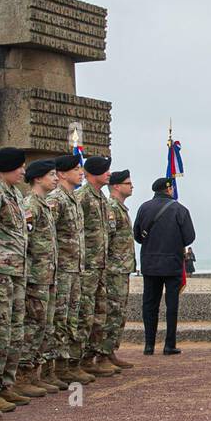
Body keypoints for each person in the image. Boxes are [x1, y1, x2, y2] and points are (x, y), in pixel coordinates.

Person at [0, 147, 33, 412]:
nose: (23, 171)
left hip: (16, 271)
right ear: (5, 168)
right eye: (19, 166)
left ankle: (4, 384)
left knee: (14, 330)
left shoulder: (15, 194)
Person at [134, 177, 195, 355]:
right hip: (172, 263)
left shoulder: (144, 208)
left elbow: (137, 235)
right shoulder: (180, 209)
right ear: (169, 189)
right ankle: (169, 344)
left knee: (149, 305)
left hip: (150, 263)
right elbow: (189, 237)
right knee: (172, 305)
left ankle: (149, 345)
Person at [48, 154, 92, 384]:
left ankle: (67, 365)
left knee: (71, 318)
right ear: (62, 173)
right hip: (62, 269)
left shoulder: (73, 199)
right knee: (60, 319)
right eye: (76, 169)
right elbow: (46, 233)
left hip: (75, 269)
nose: (81, 173)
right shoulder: (56, 199)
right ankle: (55, 367)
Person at [21, 159, 63, 392]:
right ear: (38, 178)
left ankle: (37, 372)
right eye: (51, 175)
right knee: (33, 325)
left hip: (47, 274)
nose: (56, 178)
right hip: (36, 275)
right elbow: (26, 242)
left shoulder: (43, 204)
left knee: (45, 326)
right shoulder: (31, 205)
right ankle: (24, 376)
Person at [77, 155, 117, 377]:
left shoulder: (101, 197)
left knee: (98, 314)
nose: (108, 173)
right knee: (85, 314)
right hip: (87, 267)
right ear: (91, 173)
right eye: (104, 170)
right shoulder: (82, 197)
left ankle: (92, 357)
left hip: (100, 266)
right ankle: (80, 360)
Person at [103, 169, 136, 368]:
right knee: (112, 311)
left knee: (119, 313)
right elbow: (107, 239)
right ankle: (104, 353)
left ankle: (110, 352)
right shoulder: (111, 207)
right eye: (127, 183)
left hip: (122, 268)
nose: (131, 186)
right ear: (116, 186)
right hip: (113, 268)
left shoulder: (120, 208)